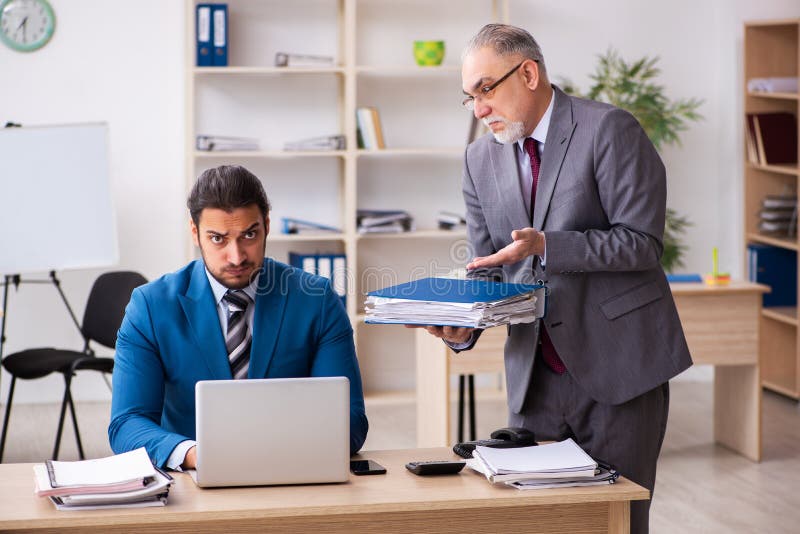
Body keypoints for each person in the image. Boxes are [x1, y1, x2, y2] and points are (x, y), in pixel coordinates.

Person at [419, 24, 692, 533]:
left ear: (527, 73)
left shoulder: (609, 129)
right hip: (534, 382)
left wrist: (548, 246)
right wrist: (466, 325)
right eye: (469, 97)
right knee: (539, 524)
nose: (478, 109)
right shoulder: (479, 160)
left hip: (619, 372)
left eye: (486, 89)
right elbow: (493, 269)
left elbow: (642, 242)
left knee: (616, 522)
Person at [109, 165, 368, 469]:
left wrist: (270, 450)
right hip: (193, 476)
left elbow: (351, 420)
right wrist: (195, 455)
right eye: (218, 238)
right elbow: (126, 423)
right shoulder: (150, 307)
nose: (236, 256)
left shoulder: (317, 299)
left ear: (267, 226)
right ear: (195, 233)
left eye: (249, 235)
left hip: (291, 469)